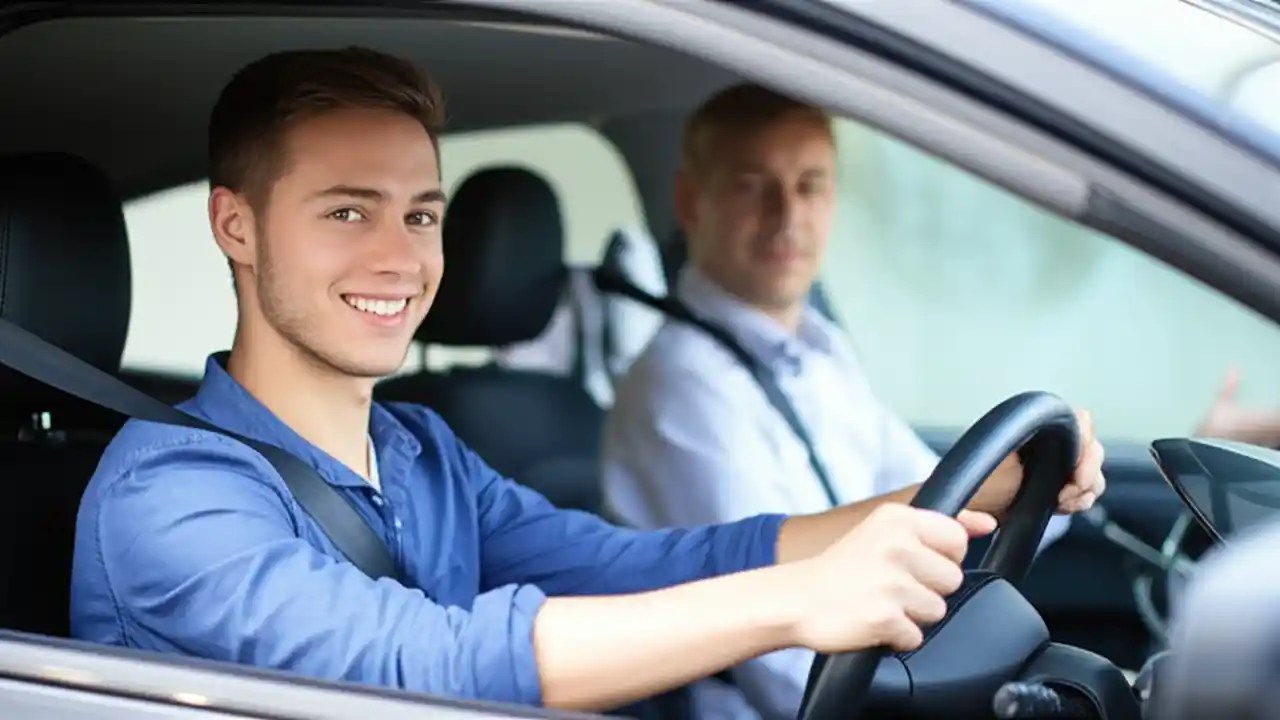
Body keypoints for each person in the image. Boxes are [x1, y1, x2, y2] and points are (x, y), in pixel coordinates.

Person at [69, 49, 1105, 714]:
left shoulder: (419, 452)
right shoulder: (168, 493)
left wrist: (977, 495)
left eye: (421, 215)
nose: (400, 258)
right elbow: (412, 665)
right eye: (348, 211)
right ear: (234, 227)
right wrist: (794, 604)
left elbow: (646, 566)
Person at [600, 84, 1075, 718]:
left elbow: (936, 500)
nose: (787, 216)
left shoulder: (819, 352)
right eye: (751, 185)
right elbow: (782, 665)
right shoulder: (681, 386)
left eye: (810, 186)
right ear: (691, 202)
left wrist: (1050, 478)